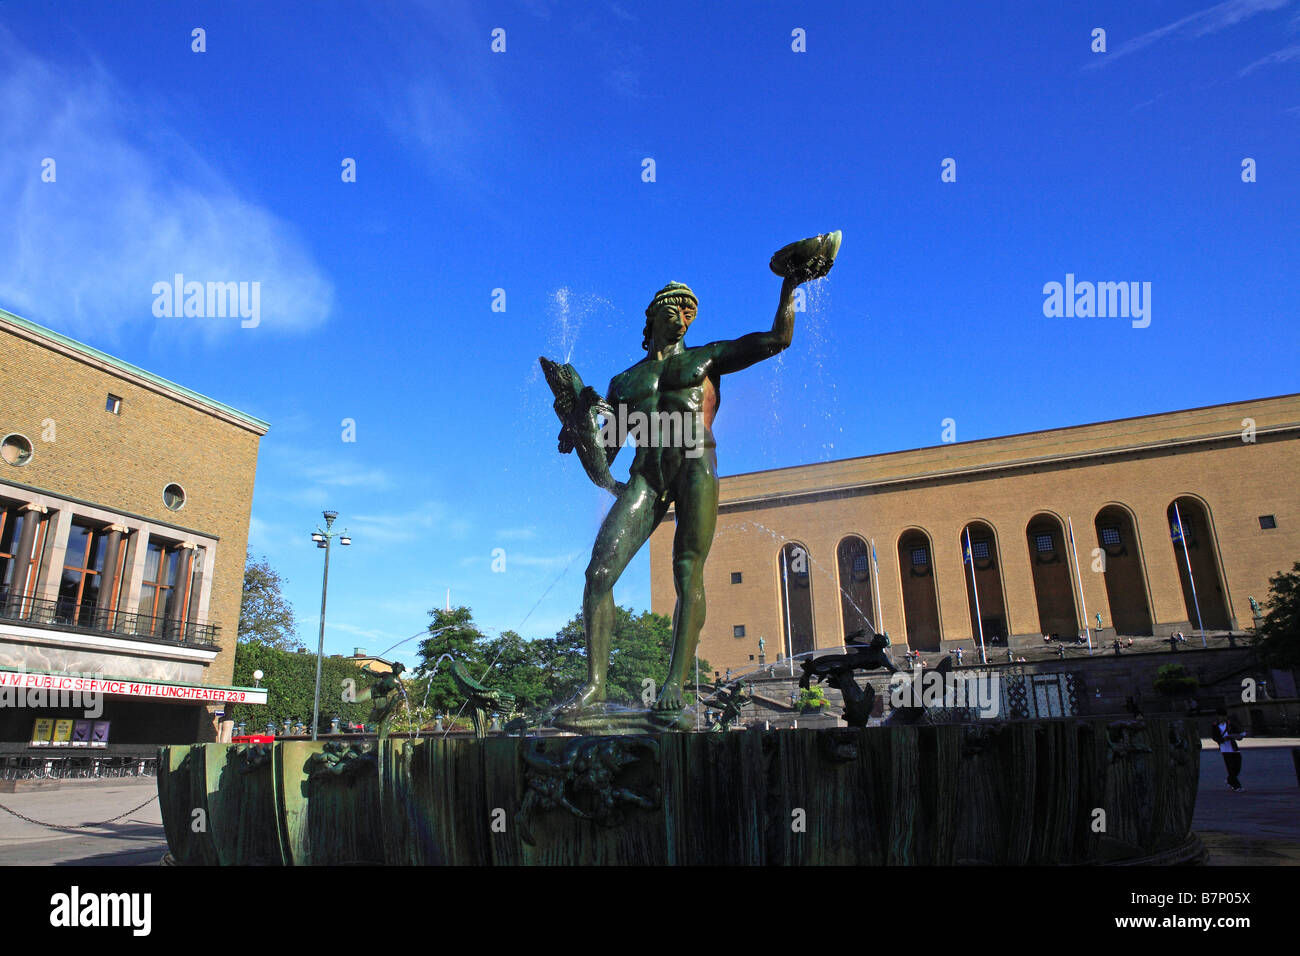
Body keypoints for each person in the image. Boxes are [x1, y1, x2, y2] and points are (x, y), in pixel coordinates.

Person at [571, 272, 810, 711]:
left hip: (696, 460)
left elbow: (778, 339)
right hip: (646, 474)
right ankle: (596, 686)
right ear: (652, 314)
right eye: (675, 308)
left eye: (690, 310)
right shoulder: (624, 383)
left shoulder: (707, 358)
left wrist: (789, 285)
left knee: (686, 571)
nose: (684, 316)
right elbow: (604, 458)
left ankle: (675, 685)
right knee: (598, 575)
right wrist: (582, 425)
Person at [1211, 708, 1246, 792]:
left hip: (1234, 747)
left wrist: (1239, 736)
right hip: (1225, 749)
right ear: (1218, 717)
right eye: (1221, 716)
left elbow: (1237, 733)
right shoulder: (1215, 725)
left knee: (1237, 767)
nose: (1222, 718)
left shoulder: (1230, 724)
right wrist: (1223, 739)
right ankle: (1236, 786)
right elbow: (1215, 737)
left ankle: (1229, 780)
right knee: (1230, 768)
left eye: (1224, 716)